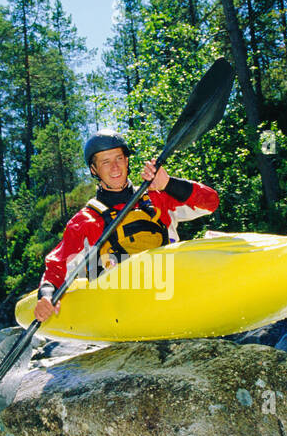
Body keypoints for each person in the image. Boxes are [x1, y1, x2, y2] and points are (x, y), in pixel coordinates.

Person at [34, 130, 219, 323]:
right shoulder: (86, 220)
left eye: (119, 158)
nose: (115, 167)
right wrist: (46, 295)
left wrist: (169, 184)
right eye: (105, 162)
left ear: (127, 161)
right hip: (122, 303)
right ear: (94, 170)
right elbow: (57, 266)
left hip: (169, 289)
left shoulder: (157, 197)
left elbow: (211, 202)